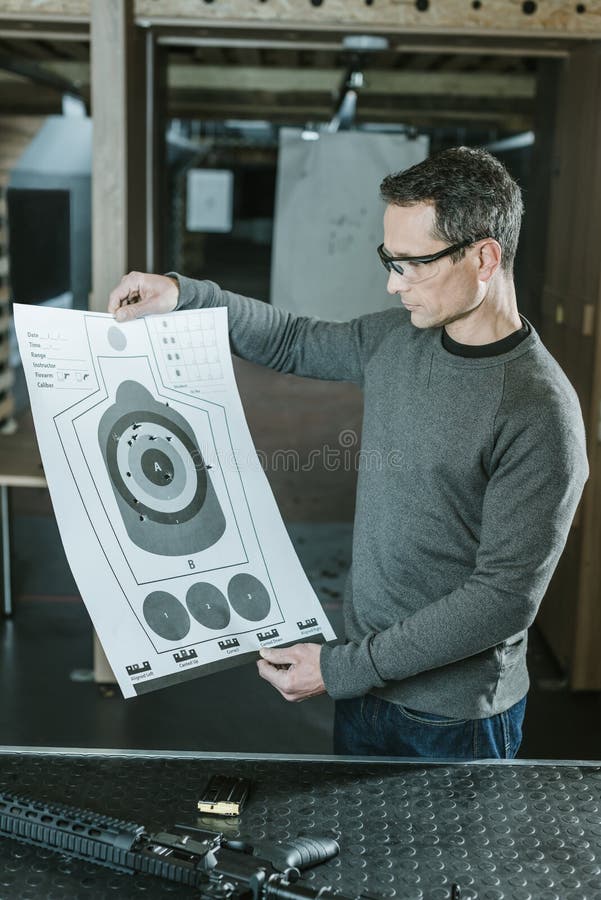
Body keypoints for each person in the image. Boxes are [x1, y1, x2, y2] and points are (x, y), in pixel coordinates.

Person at [108, 147, 588, 760]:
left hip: (452, 720)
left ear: (484, 257)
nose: (393, 283)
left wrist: (342, 669)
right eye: (389, 260)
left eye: (412, 264)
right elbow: (292, 339)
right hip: (363, 688)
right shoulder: (398, 339)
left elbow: (501, 601)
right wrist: (183, 294)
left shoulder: (538, 411)